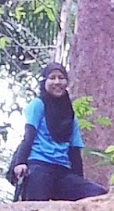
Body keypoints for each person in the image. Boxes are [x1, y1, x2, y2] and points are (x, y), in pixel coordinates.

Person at [6, 63, 108, 202]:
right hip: (39, 165)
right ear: (44, 81)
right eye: (52, 78)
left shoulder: (69, 114)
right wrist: (20, 163)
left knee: (97, 193)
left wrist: (79, 180)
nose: (57, 82)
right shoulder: (38, 104)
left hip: (62, 171)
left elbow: (74, 151)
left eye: (61, 78)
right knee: (37, 202)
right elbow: (29, 135)